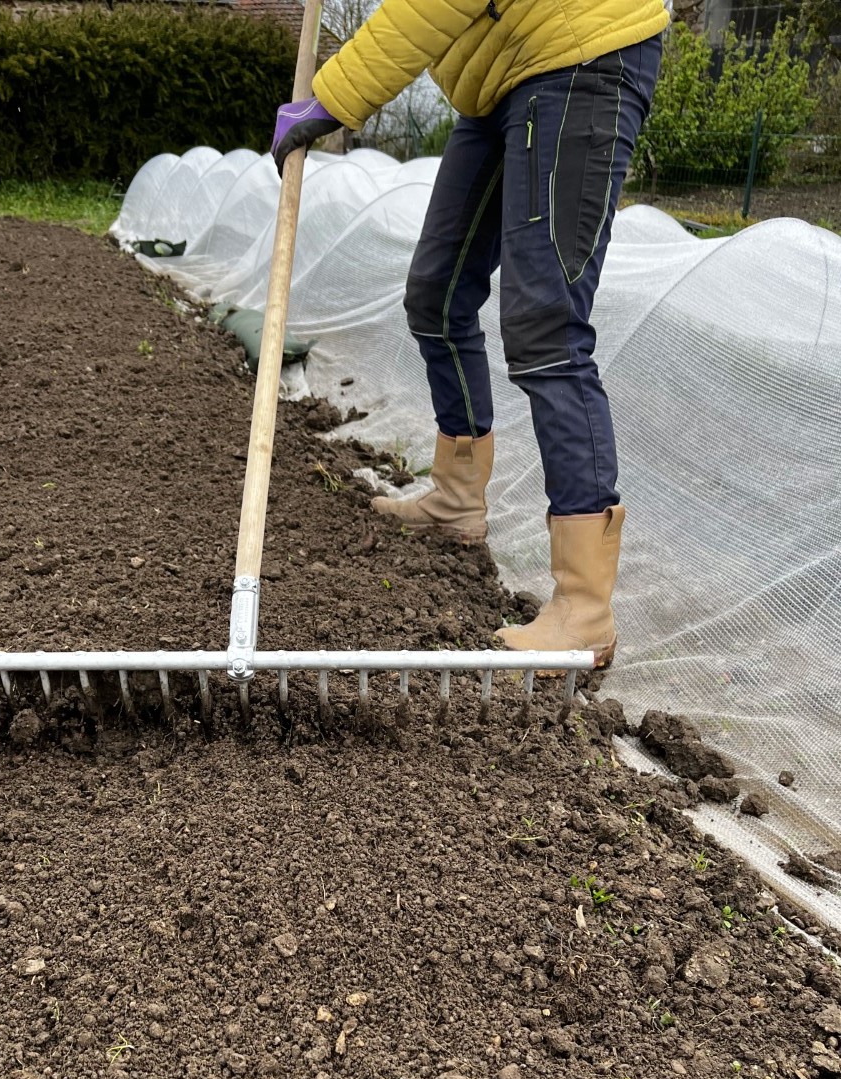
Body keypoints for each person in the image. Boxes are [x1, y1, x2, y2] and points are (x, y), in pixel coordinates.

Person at [273, 0, 671, 666]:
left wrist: (332, 96)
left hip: (579, 55)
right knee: (438, 292)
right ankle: (458, 499)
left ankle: (585, 609)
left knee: (547, 323)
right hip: (500, 79)